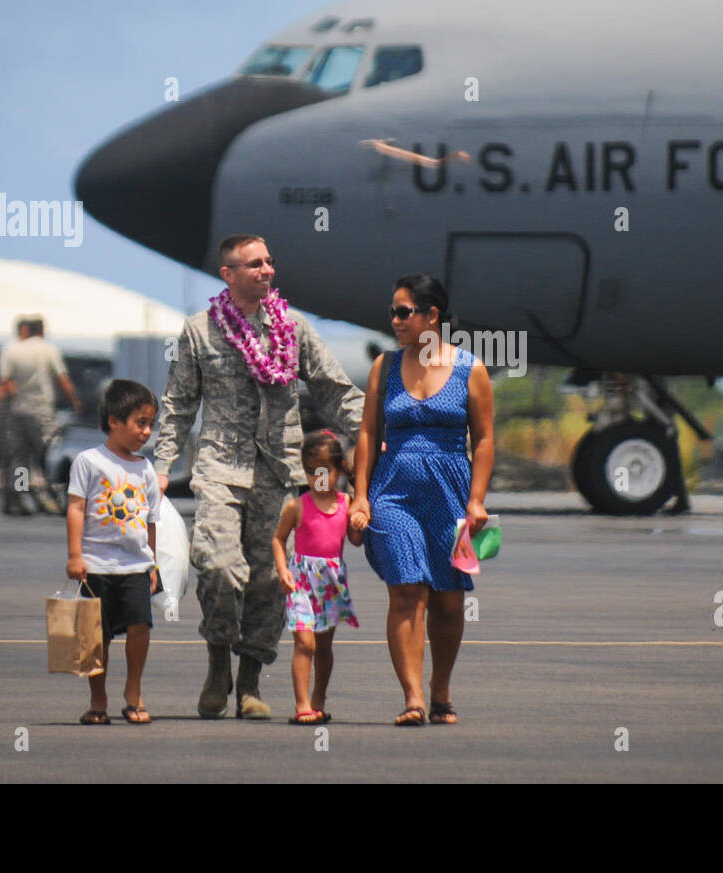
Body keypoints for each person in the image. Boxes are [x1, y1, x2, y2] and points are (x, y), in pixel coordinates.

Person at [154, 234, 363, 719]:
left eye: (270, 261)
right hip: (219, 467)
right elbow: (179, 404)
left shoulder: (293, 327)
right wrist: (161, 467)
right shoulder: (199, 331)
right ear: (228, 274)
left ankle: (250, 680)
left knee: (270, 578)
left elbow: (335, 389)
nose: (267, 270)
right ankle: (217, 663)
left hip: (278, 469)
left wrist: (380, 428)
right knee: (219, 565)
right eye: (254, 264)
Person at [350, 274, 494, 726]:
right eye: (392, 312)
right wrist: (359, 496)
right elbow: (369, 433)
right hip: (393, 491)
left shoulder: (471, 368)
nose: (394, 321)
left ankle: (440, 691)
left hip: (451, 494)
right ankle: (412, 696)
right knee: (407, 589)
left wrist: (477, 500)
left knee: (449, 600)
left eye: (403, 312)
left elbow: (485, 439)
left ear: (432, 316)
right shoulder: (385, 367)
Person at [65, 379, 162, 725]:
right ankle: (98, 699)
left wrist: (153, 563)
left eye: (151, 423)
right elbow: (76, 509)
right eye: (140, 422)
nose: (147, 431)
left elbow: (151, 519)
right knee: (97, 635)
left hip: (135, 565)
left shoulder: (145, 468)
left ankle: (133, 692)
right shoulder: (89, 462)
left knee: (140, 627)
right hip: (96, 565)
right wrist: (75, 555)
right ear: (114, 421)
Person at [271, 430, 363, 725]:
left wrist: (359, 524)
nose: (317, 478)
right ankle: (302, 705)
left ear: (337, 471)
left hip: (330, 584)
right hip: (300, 582)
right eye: (311, 472)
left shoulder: (346, 504)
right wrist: (283, 569)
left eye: (324, 471)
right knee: (305, 644)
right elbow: (278, 539)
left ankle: (318, 699)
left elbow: (356, 540)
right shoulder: (297, 506)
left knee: (323, 647)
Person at [0, 316, 82, 516]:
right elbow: (62, 380)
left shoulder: (10, 350)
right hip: (42, 413)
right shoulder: (49, 350)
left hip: (17, 413)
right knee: (49, 456)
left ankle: (15, 499)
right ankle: (58, 497)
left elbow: (6, 385)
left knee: (19, 459)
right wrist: (75, 402)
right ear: (42, 331)